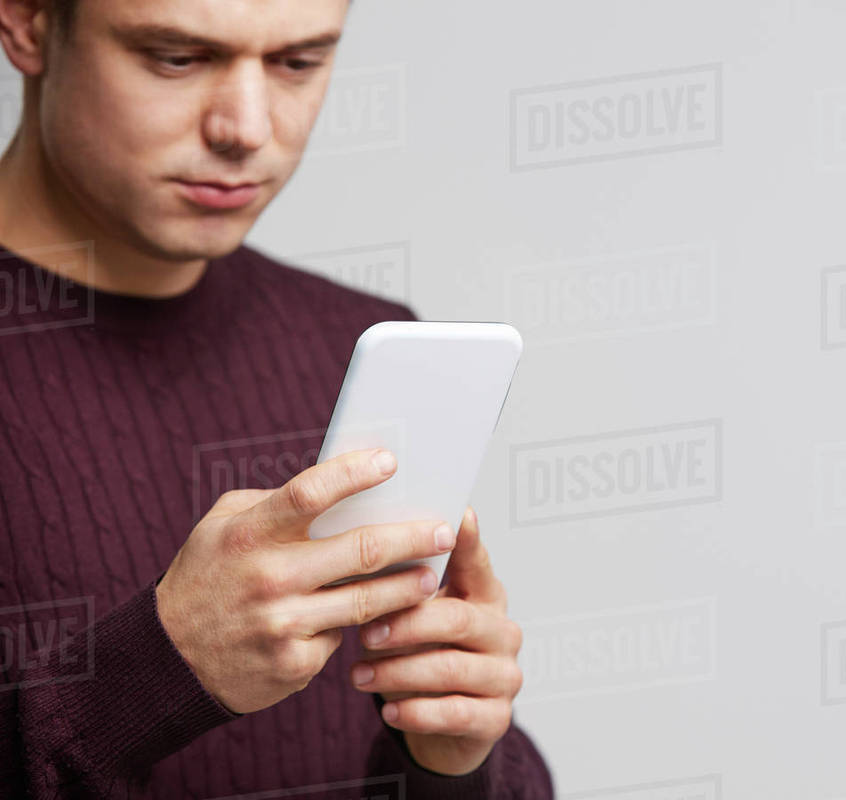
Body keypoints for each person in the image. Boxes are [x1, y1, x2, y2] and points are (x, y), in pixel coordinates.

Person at [0, 0, 554, 797]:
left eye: (297, 63)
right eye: (175, 57)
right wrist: (153, 674)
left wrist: (449, 759)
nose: (246, 129)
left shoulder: (358, 343)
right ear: (27, 23)